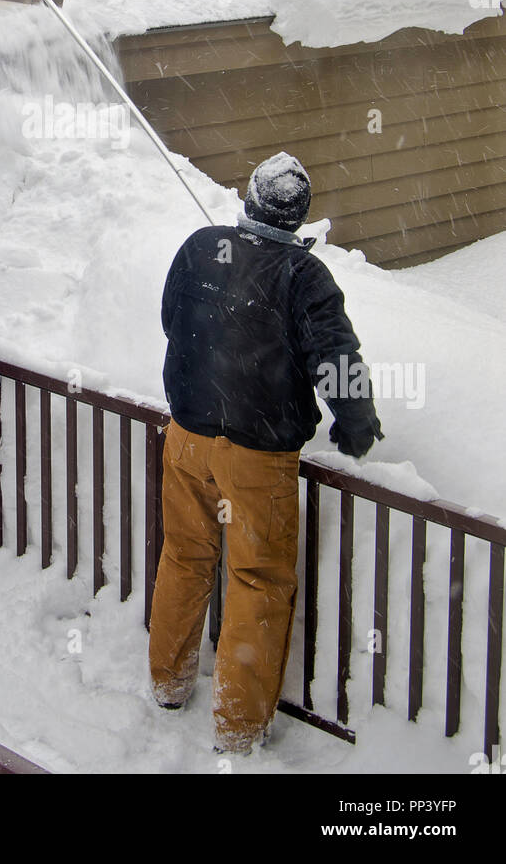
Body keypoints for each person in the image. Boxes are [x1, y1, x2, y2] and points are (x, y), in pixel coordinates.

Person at [148, 151, 384, 753]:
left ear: (250, 201)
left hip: (187, 440)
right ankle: (238, 727)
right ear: (298, 217)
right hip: (255, 459)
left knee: (184, 556)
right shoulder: (305, 278)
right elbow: (336, 357)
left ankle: (168, 684)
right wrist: (356, 426)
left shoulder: (201, 246)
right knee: (257, 580)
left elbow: (173, 321)